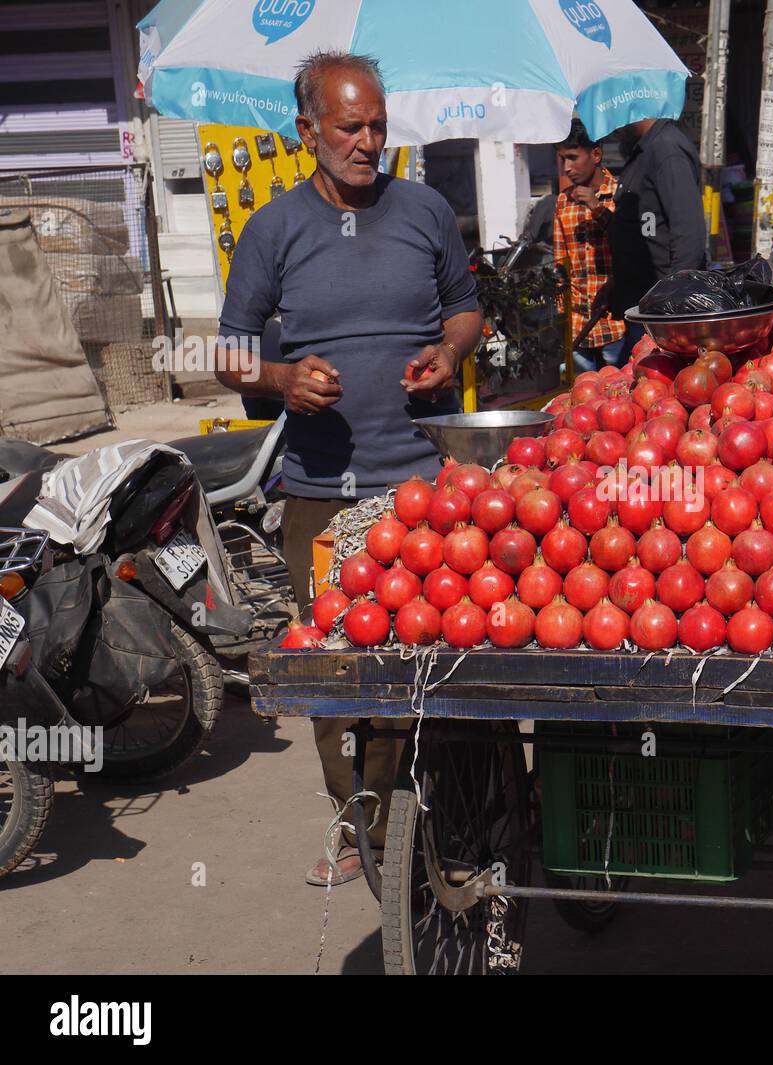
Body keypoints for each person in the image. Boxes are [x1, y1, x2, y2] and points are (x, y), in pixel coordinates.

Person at [214, 51, 484, 885]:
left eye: (377, 125)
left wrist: (446, 351)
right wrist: (281, 378)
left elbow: (467, 310)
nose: (369, 142)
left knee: (442, 659)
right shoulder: (274, 228)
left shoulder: (425, 209)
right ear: (308, 132)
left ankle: (454, 813)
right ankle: (356, 825)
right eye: (350, 127)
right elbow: (226, 351)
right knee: (335, 670)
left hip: (427, 486)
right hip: (323, 495)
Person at [608, 118, 707, 346]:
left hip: (662, 315)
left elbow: (689, 234)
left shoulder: (667, 149)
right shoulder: (645, 149)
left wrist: (672, 299)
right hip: (641, 305)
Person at [552, 119, 624, 372]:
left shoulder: (620, 193)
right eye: (563, 160)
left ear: (595, 154)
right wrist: (563, 309)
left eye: (572, 158)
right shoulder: (564, 200)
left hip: (614, 321)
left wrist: (596, 206)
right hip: (577, 322)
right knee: (583, 396)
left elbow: (627, 244)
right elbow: (561, 261)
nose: (567, 168)